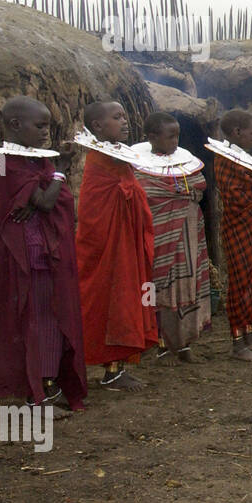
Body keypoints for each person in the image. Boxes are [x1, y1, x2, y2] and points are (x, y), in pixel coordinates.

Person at [0, 96, 87, 412]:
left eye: (49, 127)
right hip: (26, 259)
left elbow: (50, 201)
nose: (46, 133)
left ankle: (49, 386)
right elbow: (43, 201)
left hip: (45, 255)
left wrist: (45, 191)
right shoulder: (5, 162)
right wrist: (59, 174)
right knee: (33, 320)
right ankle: (35, 393)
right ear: (15, 125)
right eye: (40, 126)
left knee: (51, 318)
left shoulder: (38, 161)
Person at [75, 101, 157, 391]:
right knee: (108, 299)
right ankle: (106, 367)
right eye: (117, 117)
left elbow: (130, 191)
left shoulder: (121, 157)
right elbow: (94, 208)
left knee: (125, 297)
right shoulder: (98, 161)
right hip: (106, 246)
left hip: (125, 242)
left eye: (124, 115)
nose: (125, 122)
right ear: (97, 126)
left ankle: (117, 369)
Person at [133, 112, 211, 364]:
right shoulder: (138, 168)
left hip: (188, 236)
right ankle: (162, 344)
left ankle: (184, 342)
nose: (176, 141)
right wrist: (177, 195)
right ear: (152, 137)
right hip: (159, 237)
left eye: (177, 135)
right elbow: (144, 194)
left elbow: (198, 185)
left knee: (187, 284)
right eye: (170, 136)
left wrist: (182, 194)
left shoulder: (186, 162)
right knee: (160, 287)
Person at [207, 110, 252, 362]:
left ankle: (249, 334)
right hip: (241, 230)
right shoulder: (225, 160)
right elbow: (237, 197)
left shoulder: (242, 157)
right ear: (237, 132)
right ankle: (238, 343)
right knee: (241, 283)